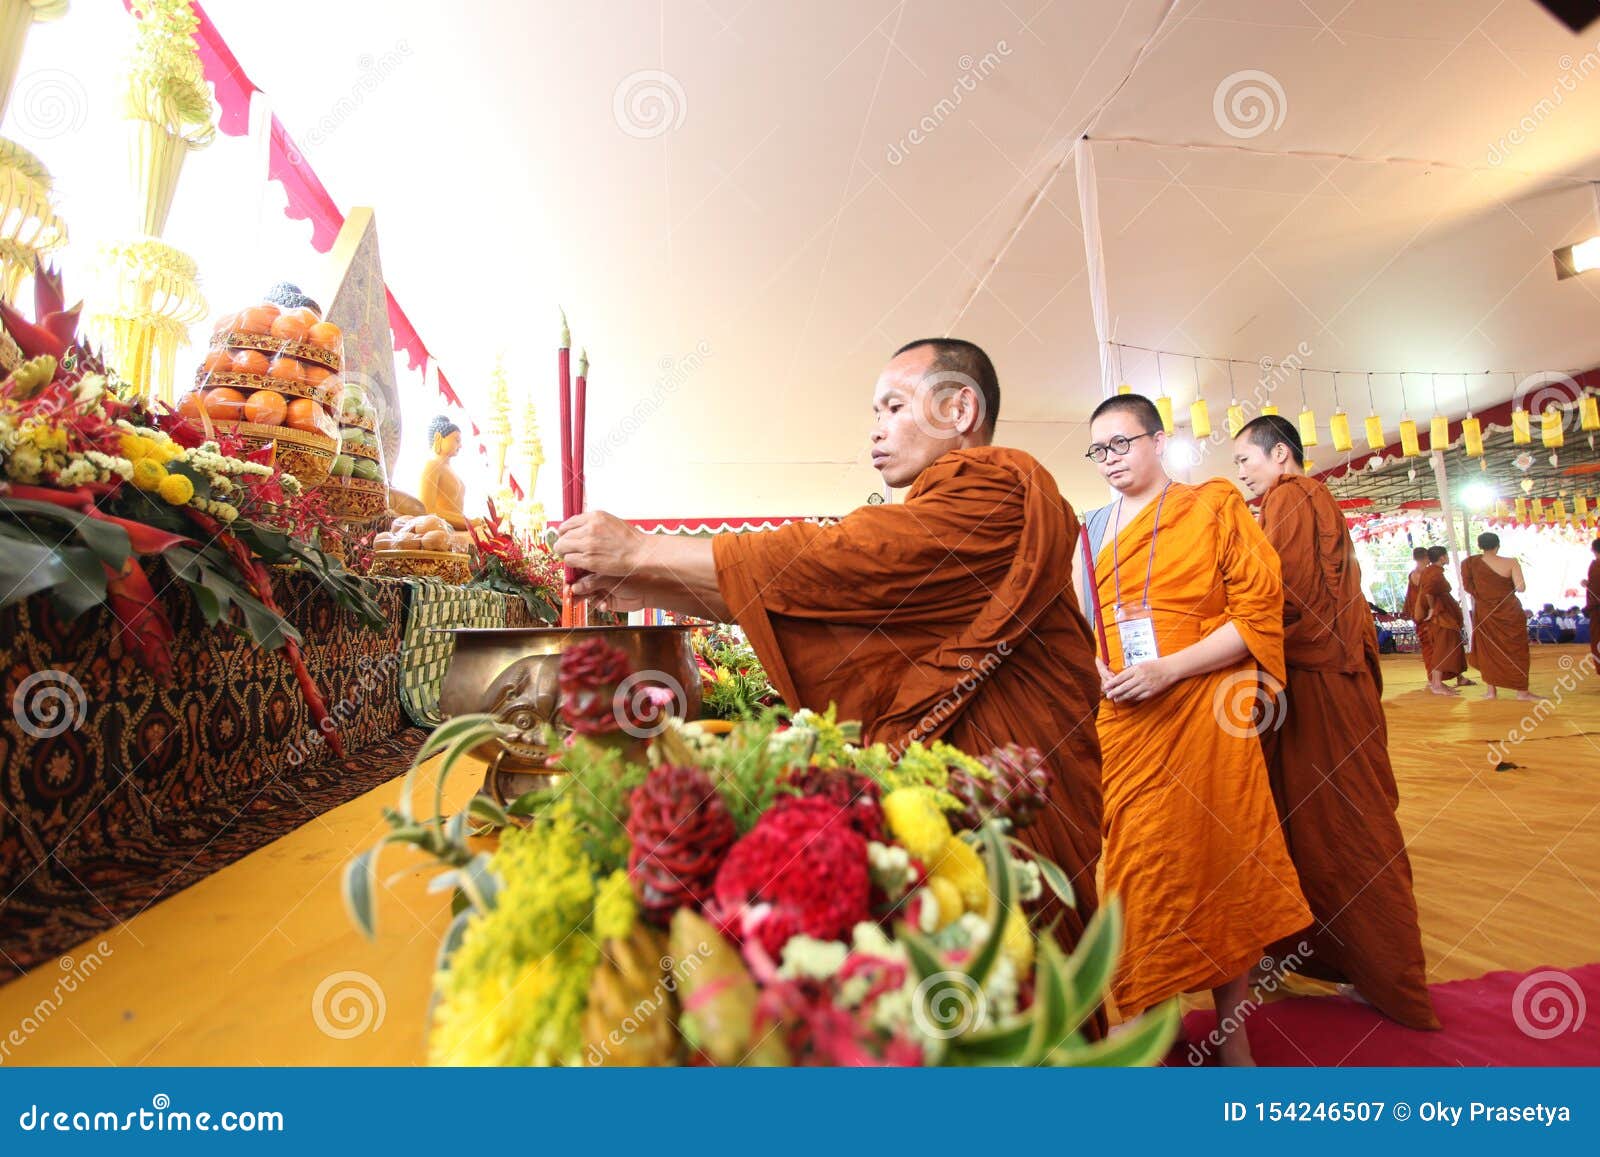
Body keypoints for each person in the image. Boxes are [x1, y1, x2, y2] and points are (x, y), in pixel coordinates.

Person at [553, 338, 1108, 1031]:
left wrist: (644, 548)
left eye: (894, 405)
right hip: (954, 802)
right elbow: (809, 596)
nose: (876, 427)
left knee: (1026, 1007)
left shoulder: (1000, 488)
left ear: (961, 406)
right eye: (874, 410)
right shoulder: (939, 511)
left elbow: (845, 560)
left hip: (1024, 800)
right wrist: (637, 580)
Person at [1079, 394, 1311, 1065]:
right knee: (1137, 868)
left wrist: (1168, 669)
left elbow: (1258, 613)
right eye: (1099, 450)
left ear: (1159, 441)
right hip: (1124, 718)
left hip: (1201, 710)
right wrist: (1100, 669)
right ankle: (1152, 1022)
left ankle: (1231, 1032)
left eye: (1122, 443)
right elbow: (1082, 624)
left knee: (1219, 865)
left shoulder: (1213, 505)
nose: (1111, 460)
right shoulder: (1091, 527)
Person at [1232, 416, 1438, 1030]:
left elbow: (1283, 595)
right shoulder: (1304, 500)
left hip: (1320, 684)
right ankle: (1339, 955)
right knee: (1313, 821)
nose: (1239, 472)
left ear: (1280, 456)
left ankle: (1388, 972)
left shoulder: (1293, 497)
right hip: (1319, 681)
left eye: (1246, 460)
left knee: (1345, 822)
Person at [1460, 533, 1535, 701]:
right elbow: (1521, 587)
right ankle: (1522, 692)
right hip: (1509, 612)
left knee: (1489, 650)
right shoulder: (1511, 562)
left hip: (1486, 611)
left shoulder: (1470, 564)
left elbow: (1468, 587)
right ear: (1497, 545)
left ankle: (1491, 691)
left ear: (1480, 546)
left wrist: (1484, 596)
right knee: (1517, 650)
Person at [1417, 545, 1471, 693]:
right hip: (1440, 616)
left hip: (1443, 613)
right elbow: (1428, 592)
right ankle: (1436, 684)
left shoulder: (1432, 571)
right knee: (1443, 648)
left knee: (1444, 648)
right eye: (1446, 555)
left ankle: (1438, 682)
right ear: (1442, 557)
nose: (1447, 558)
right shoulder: (1433, 573)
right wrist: (1433, 609)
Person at [1401, 546, 1433, 675]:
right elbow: (1428, 594)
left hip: (1420, 613)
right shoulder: (1424, 574)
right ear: (1426, 557)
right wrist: (1432, 608)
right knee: (1433, 645)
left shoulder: (1414, 574)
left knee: (1431, 646)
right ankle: (1434, 678)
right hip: (1426, 614)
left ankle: (1435, 676)